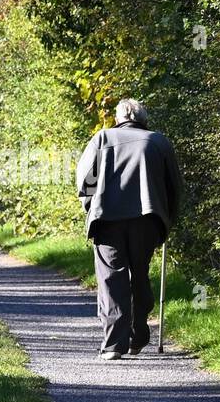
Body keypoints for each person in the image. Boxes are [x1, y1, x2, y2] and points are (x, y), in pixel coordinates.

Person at [75, 98, 183, 360]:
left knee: (112, 278)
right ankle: (138, 336)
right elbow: (175, 187)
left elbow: (85, 182)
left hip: (108, 219)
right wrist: (168, 218)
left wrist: (90, 208)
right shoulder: (159, 141)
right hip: (147, 219)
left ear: (118, 118)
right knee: (139, 274)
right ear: (143, 119)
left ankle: (114, 345)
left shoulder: (102, 139)